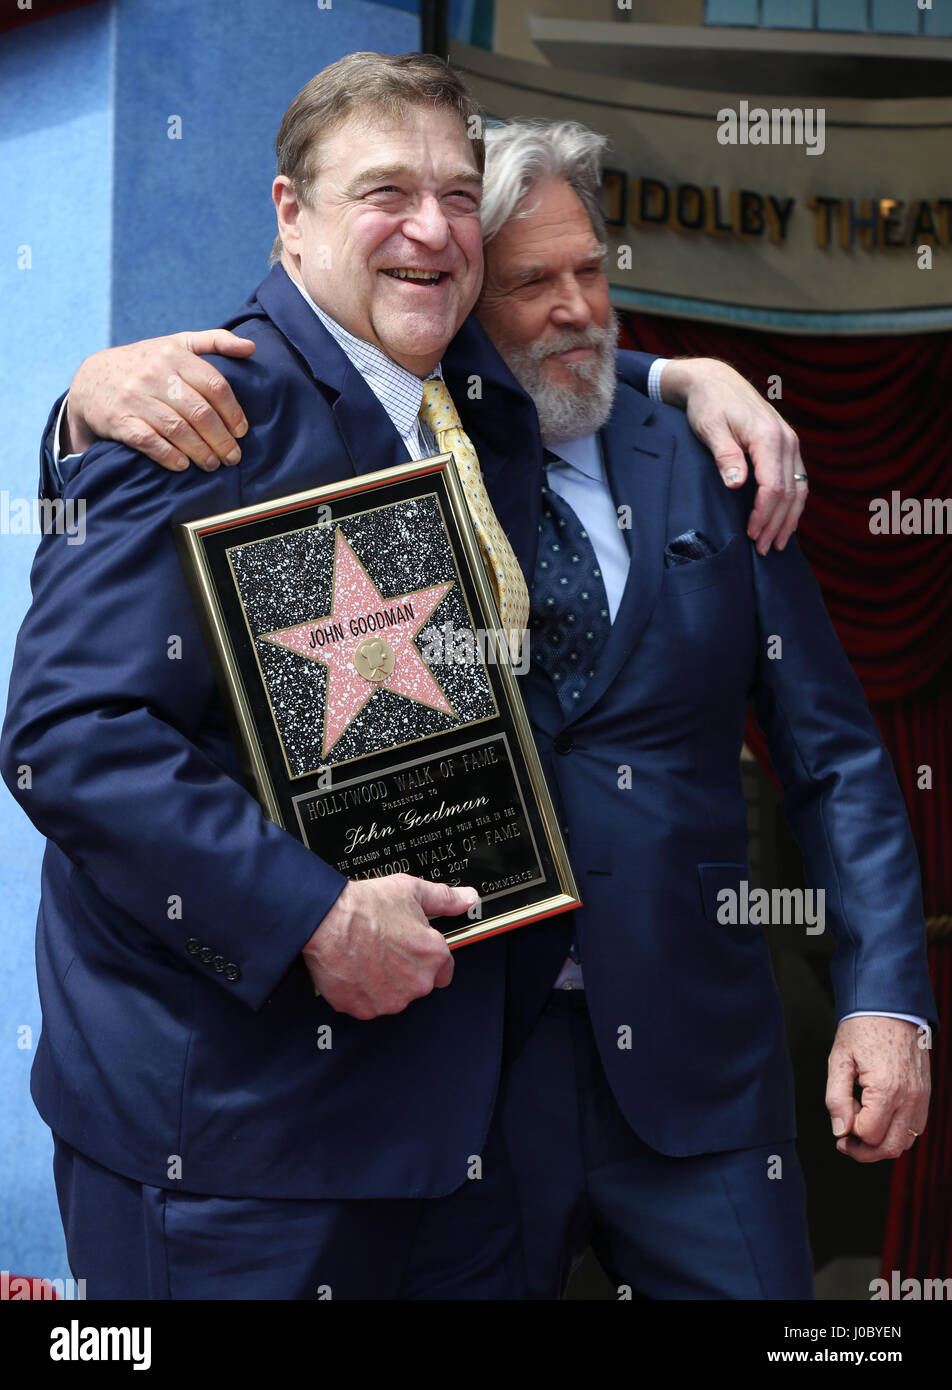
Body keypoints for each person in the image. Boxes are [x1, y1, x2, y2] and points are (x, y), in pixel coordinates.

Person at [53, 109, 934, 1301]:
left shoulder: (710, 462)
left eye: (592, 272)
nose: (576, 307)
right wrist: (77, 397)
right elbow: (187, 494)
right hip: (453, 1079)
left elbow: (833, 759)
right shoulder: (403, 451)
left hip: (699, 1075)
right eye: (531, 282)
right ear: (459, 306)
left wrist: (885, 999)